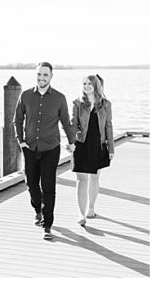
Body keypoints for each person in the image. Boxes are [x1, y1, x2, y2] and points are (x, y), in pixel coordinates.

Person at [13, 62, 76, 240]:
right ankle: (38, 210)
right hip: (30, 147)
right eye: (39, 74)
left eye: (45, 75)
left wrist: (72, 143)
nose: (41, 78)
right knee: (31, 183)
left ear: (51, 76)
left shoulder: (59, 98)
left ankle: (47, 225)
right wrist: (20, 141)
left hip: (51, 149)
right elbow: (17, 120)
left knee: (48, 186)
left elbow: (66, 123)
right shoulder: (26, 96)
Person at [71, 73, 114, 227]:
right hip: (81, 144)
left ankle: (91, 208)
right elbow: (73, 124)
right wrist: (71, 141)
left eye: (90, 83)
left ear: (96, 86)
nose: (87, 86)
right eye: (84, 84)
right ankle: (81, 214)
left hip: (98, 144)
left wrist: (111, 148)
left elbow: (108, 126)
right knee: (81, 179)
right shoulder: (77, 103)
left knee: (94, 177)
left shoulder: (106, 104)